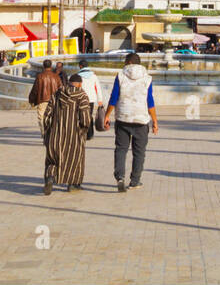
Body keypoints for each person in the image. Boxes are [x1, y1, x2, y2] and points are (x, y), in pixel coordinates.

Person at [102, 53, 157, 192]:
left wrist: (107, 115)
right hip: (141, 119)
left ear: (129, 62)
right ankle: (135, 181)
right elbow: (150, 101)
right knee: (139, 152)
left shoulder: (120, 76)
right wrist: (155, 121)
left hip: (123, 118)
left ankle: (120, 177)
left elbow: (114, 97)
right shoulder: (147, 78)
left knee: (121, 149)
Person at [42, 73, 93, 194]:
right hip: (74, 135)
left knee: (53, 159)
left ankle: (50, 177)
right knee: (74, 159)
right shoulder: (82, 96)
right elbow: (85, 117)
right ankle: (73, 184)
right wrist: (84, 130)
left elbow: (47, 114)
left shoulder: (57, 94)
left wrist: (48, 130)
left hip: (56, 134)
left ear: (69, 83)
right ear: (80, 84)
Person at [28, 60, 63, 135]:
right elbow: (61, 89)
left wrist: (31, 100)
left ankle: (44, 133)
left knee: (42, 117)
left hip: (42, 100)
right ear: (51, 66)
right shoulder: (56, 76)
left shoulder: (40, 76)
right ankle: (52, 133)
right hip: (54, 100)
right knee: (53, 117)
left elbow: (35, 89)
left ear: (43, 66)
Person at [76, 57, 105, 137]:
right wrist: (100, 99)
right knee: (89, 115)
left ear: (80, 66)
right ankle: (90, 134)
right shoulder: (93, 76)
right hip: (91, 99)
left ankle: (83, 133)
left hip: (81, 98)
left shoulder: (78, 76)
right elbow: (98, 88)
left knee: (81, 115)